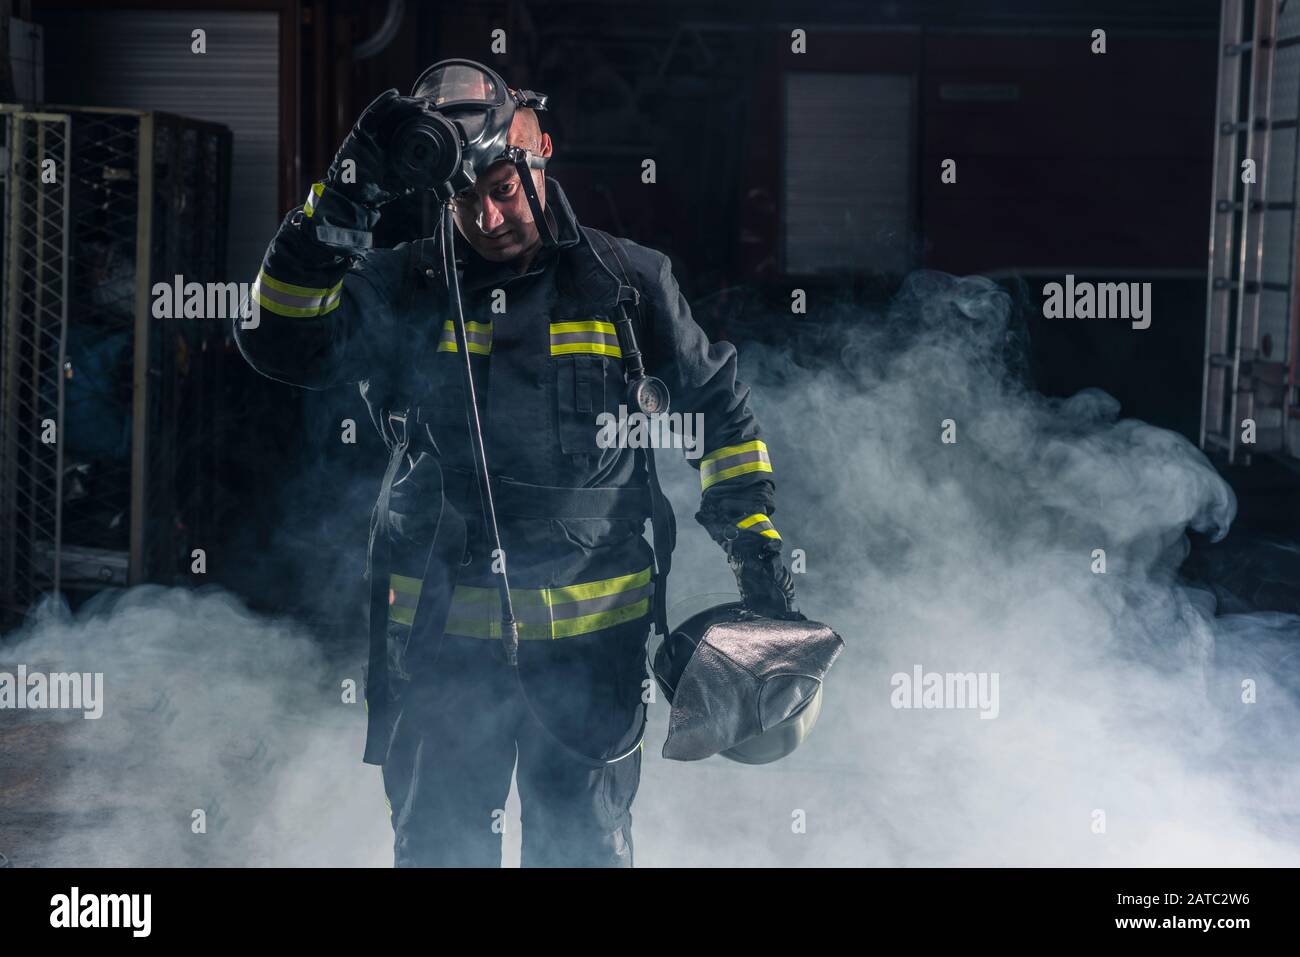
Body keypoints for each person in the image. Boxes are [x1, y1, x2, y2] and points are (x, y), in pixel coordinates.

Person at [234, 60, 800, 867]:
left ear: (540, 152)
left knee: (582, 852)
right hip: (439, 661)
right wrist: (341, 200)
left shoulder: (628, 284)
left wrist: (758, 554)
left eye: (504, 186)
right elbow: (278, 338)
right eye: (465, 198)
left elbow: (720, 416)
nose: (490, 215)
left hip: (592, 662)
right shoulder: (403, 285)